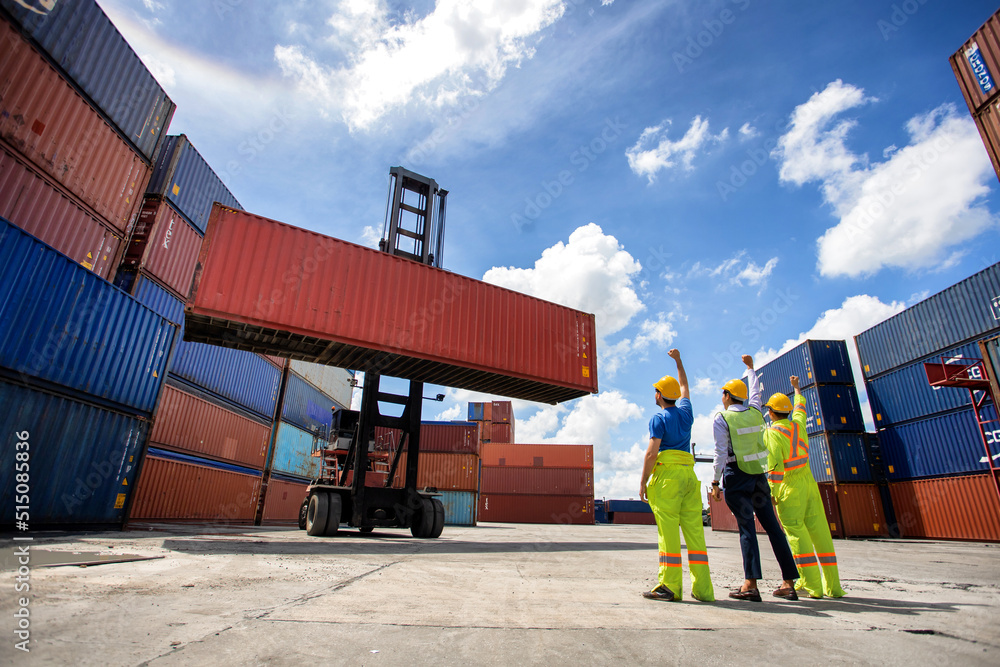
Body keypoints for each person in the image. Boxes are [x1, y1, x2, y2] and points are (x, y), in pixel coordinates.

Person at [709, 354, 799, 602]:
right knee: (774, 529)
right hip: (759, 477)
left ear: (727, 396)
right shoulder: (756, 412)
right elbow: (757, 392)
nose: (722, 398)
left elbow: (719, 453)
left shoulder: (722, 418)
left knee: (747, 529)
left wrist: (715, 483)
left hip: (736, 478)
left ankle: (750, 584)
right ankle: (789, 583)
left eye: (723, 394)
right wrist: (750, 369)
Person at [639, 349, 715, 602]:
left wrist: (643, 482)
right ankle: (703, 590)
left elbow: (651, 454)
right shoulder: (686, 412)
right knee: (695, 534)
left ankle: (670, 586)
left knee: (668, 534)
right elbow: (684, 385)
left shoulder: (658, 417)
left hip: (668, 477)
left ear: (659, 395)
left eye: (656, 391)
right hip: (689, 476)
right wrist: (679, 362)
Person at [764, 375, 847, 599]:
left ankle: (813, 587)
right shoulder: (799, 425)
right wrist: (797, 388)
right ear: (788, 412)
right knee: (821, 534)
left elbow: (775, 467)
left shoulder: (772, 433)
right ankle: (833, 587)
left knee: (796, 536)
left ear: (771, 413)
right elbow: (801, 406)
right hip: (810, 484)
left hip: (790, 488)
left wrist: (772, 493)